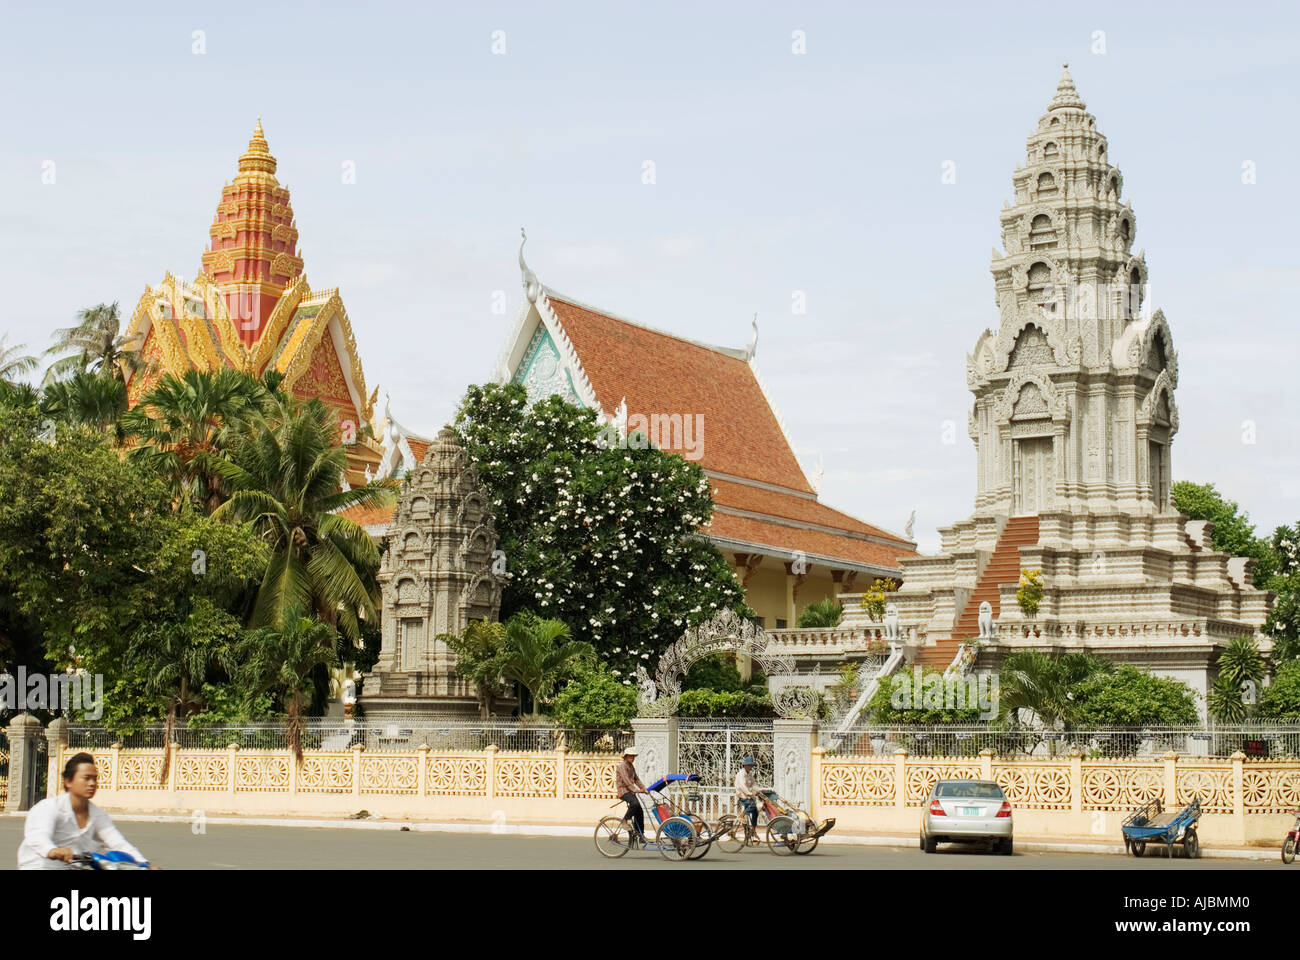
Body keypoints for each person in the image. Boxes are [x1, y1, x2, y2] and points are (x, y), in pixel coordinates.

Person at [18, 752, 158, 870]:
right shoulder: (49, 807)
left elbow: (118, 843)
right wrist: (53, 850)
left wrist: (144, 864)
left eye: (95, 779)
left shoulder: (98, 815)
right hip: (39, 866)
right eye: (86, 778)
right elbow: (38, 837)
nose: (92, 783)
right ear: (68, 781)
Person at [614, 746, 648, 841]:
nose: (632, 758)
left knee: (639, 811)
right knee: (635, 804)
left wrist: (644, 788)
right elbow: (626, 780)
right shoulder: (622, 766)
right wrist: (636, 790)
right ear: (626, 756)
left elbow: (636, 779)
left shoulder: (631, 766)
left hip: (630, 791)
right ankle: (625, 820)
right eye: (630, 756)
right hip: (623, 791)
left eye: (633, 756)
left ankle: (640, 834)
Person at [735, 755, 763, 841]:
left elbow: (754, 784)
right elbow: (742, 786)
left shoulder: (749, 774)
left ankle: (753, 831)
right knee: (752, 807)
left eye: (751, 765)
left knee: (756, 812)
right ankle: (741, 816)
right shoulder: (741, 774)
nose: (750, 767)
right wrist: (749, 793)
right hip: (743, 796)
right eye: (749, 765)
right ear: (745, 765)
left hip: (748, 796)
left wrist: (758, 791)